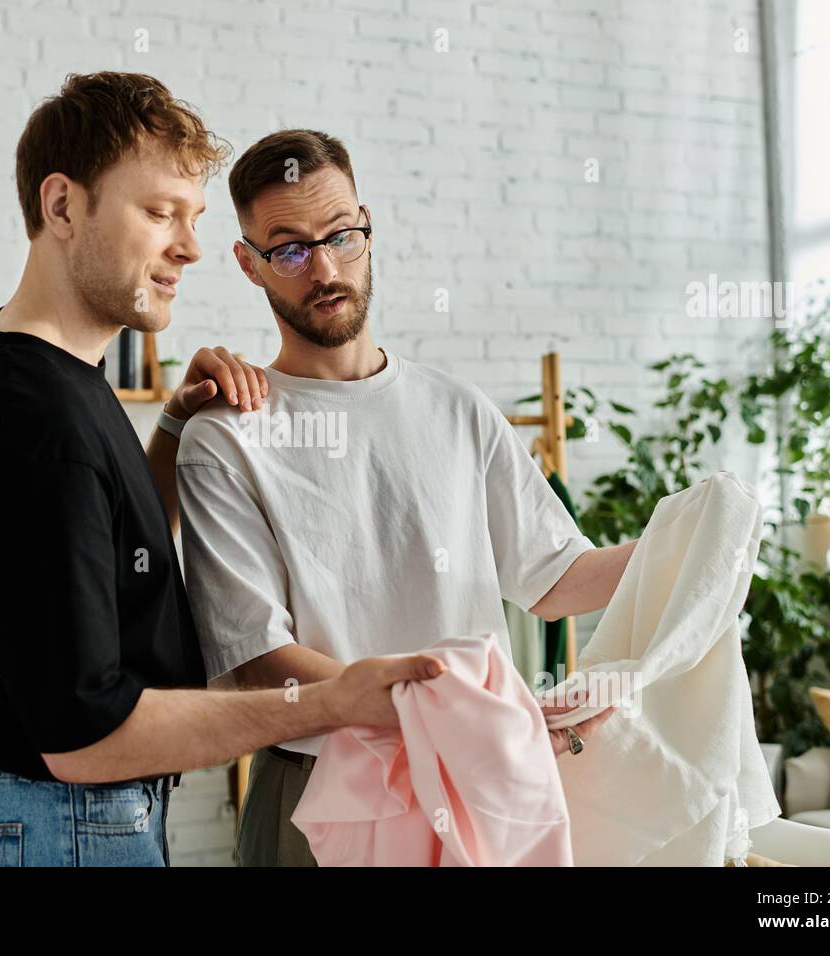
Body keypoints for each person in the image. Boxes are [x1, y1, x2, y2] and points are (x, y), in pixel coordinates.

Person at [0, 76, 443, 868]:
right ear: (62, 208)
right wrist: (330, 703)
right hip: (56, 828)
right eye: (159, 213)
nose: (189, 247)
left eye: (192, 220)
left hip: (47, 825)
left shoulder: (51, 379)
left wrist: (172, 427)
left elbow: (107, 564)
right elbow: (86, 740)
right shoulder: (36, 417)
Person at [176, 129, 634, 867]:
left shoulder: (460, 410)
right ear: (247, 264)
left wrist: (690, 543)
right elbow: (262, 660)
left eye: (340, 236)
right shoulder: (225, 438)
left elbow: (555, 581)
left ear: (369, 226)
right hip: (316, 796)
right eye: (288, 248)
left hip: (474, 781)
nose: (323, 268)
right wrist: (457, 710)